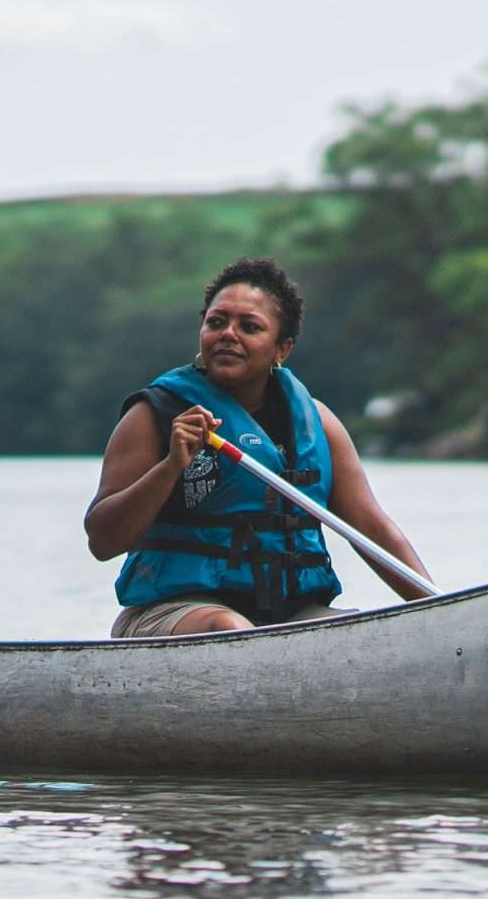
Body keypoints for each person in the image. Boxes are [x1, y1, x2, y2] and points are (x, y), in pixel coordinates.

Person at [85, 256, 431, 637]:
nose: (228, 334)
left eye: (249, 327)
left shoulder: (319, 424)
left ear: (282, 349)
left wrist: (438, 611)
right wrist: (170, 467)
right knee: (228, 627)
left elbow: (374, 530)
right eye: (216, 322)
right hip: (173, 613)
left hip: (284, 618)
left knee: (361, 632)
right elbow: (103, 540)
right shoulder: (154, 415)